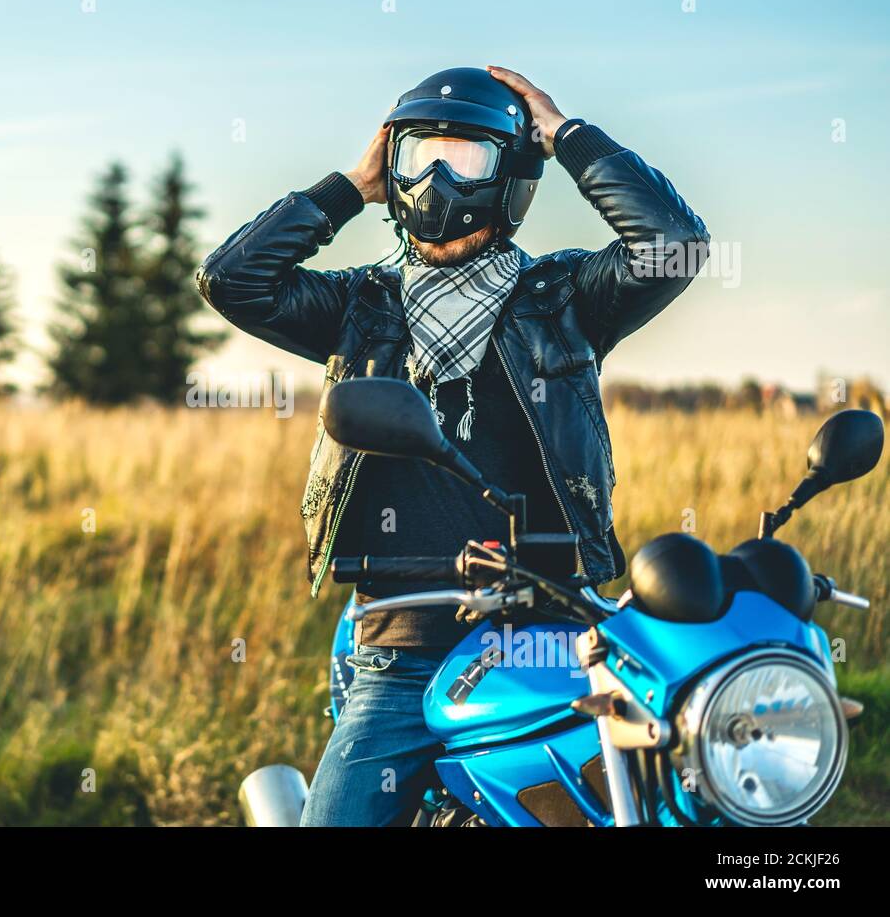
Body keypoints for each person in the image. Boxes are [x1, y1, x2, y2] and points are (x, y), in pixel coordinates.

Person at [196, 66, 710, 826]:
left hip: (549, 639)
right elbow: (230, 278)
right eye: (418, 155)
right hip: (401, 652)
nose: (436, 179)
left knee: (655, 799)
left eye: (465, 157)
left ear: (510, 174)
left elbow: (674, 244)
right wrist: (348, 186)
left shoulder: (564, 299)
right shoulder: (358, 304)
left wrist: (567, 135)